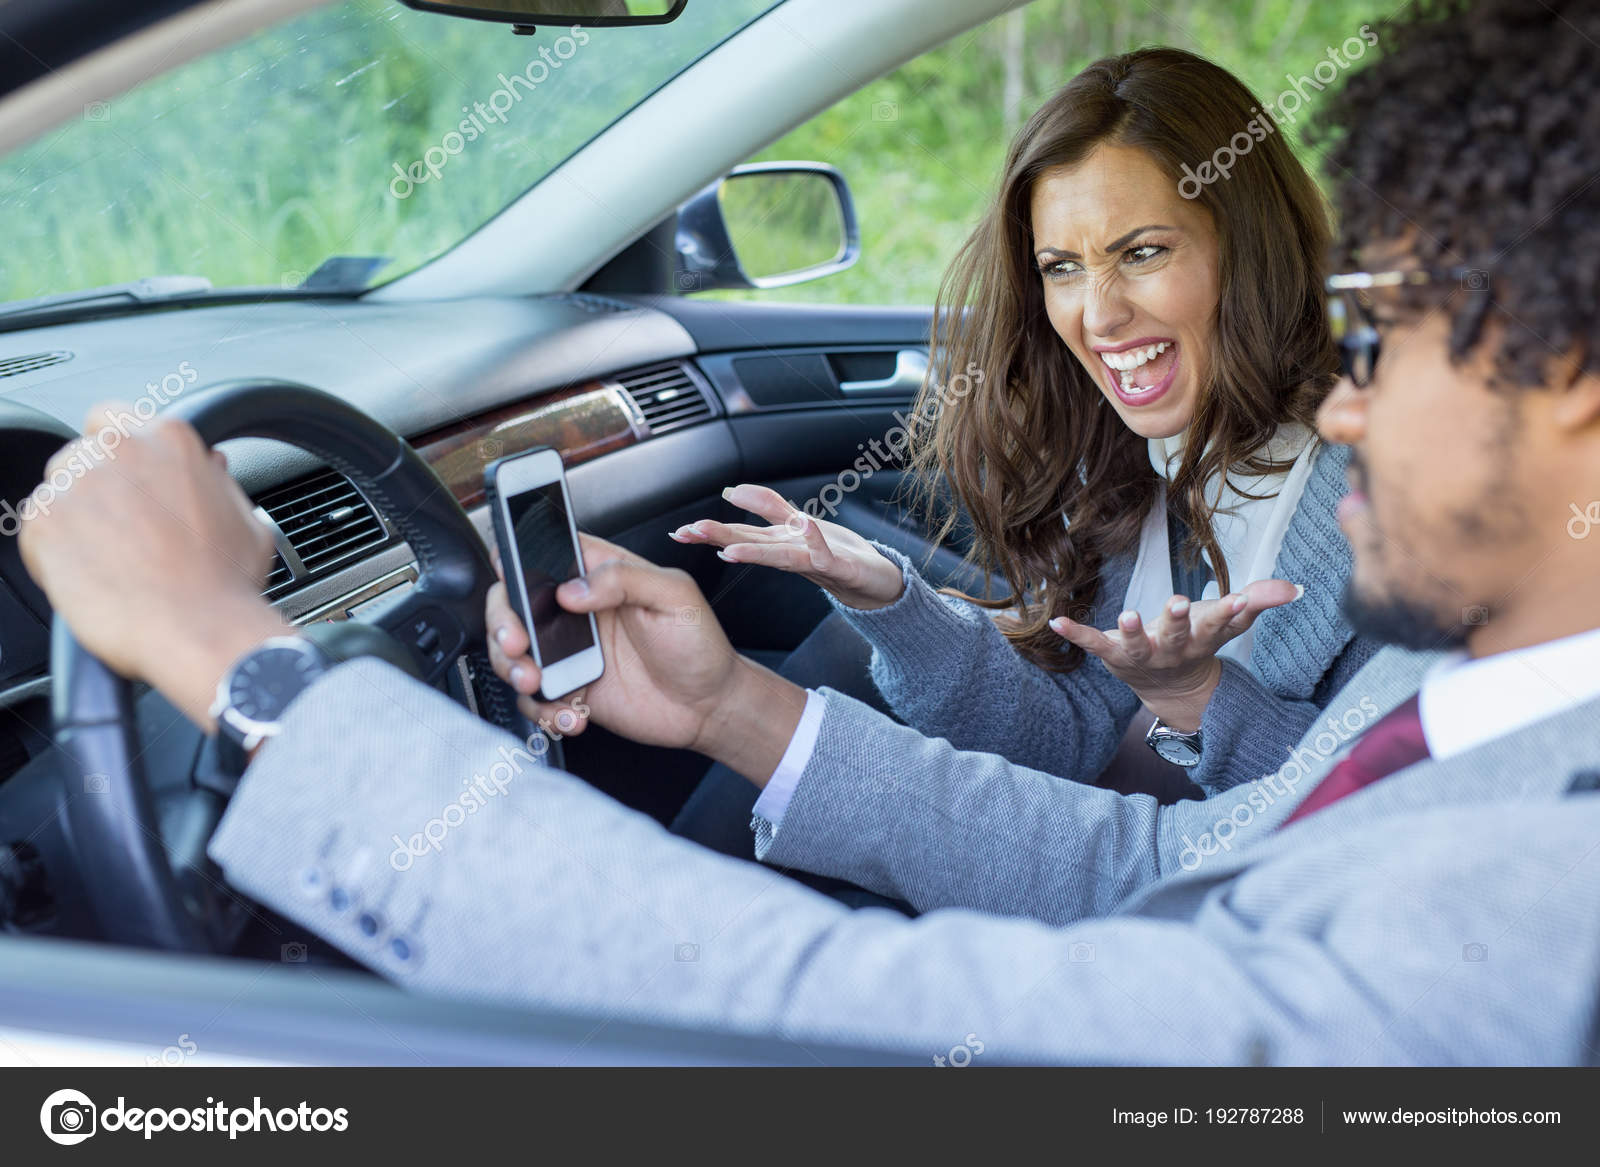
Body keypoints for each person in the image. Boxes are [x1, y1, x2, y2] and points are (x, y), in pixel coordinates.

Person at [18, 0, 1600, 1062]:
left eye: (1387, 338)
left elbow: (854, 1023)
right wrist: (734, 705)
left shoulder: (1531, 902)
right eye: (1062, 268)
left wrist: (254, 671)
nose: (1342, 403)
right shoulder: (1476, 691)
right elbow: (1164, 855)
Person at [665, 48, 1380, 861]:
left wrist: (1195, 694)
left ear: (1249, 247)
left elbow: (1368, 819)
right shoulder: (1131, 460)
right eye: (1062, 268)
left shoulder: (1380, 494)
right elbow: (1067, 736)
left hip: (1240, 910)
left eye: (1142, 252)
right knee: (847, 650)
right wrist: (888, 600)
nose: (1099, 315)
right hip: (1131, 865)